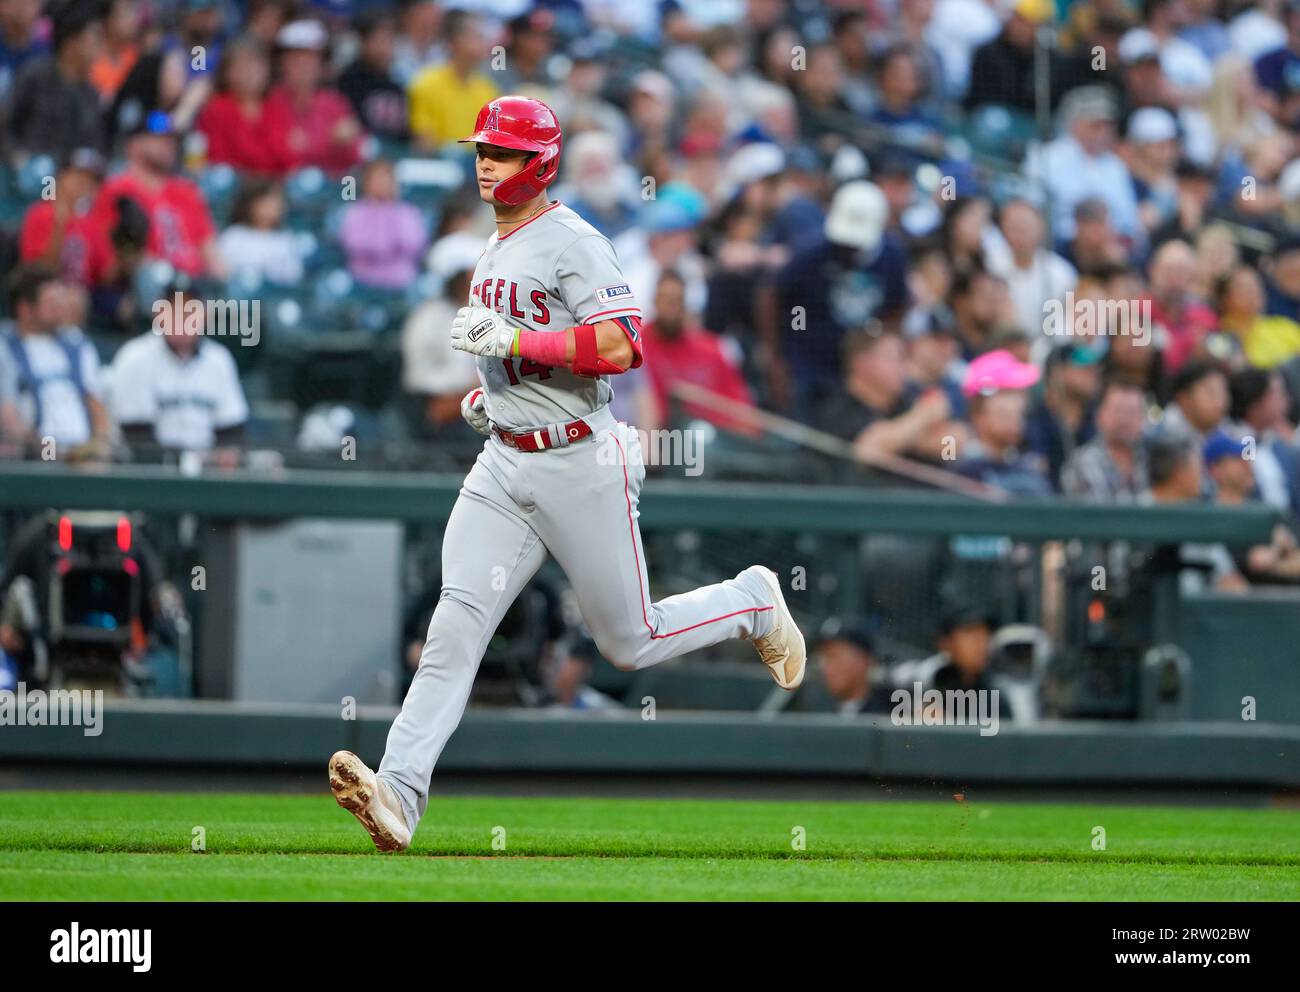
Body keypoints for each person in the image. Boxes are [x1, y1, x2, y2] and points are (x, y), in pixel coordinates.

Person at [327, 96, 807, 853]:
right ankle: (399, 793)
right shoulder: (490, 246)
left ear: (540, 162)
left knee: (630, 640)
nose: (485, 162)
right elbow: (526, 355)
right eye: (481, 150)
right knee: (455, 622)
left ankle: (749, 602)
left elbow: (621, 346)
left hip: (581, 459)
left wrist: (520, 339)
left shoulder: (573, 240)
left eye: (503, 151)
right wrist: (496, 397)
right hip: (504, 461)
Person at [106, 284, 248, 459]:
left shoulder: (219, 359)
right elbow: (137, 436)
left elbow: (231, 430)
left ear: (205, 315)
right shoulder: (135, 356)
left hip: (208, 473)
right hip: (151, 475)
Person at [91, 111, 223, 280]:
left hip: (192, 286)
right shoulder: (115, 191)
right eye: (158, 138)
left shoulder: (187, 191)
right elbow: (105, 263)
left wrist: (225, 284)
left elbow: (208, 248)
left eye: (171, 139)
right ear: (133, 144)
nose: (168, 144)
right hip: (143, 284)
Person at [0, 266, 110, 460]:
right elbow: (9, 419)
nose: (60, 309)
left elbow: (96, 403)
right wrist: (52, 454)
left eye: (60, 301)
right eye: (51, 303)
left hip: (81, 454)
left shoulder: (76, 343)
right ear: (25, 309)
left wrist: (99, 445)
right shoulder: (5, 348)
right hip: (33, 457)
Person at [639, 269, 756, 435]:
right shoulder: (638, 347)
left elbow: (738, 405)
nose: (670, 308)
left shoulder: (710, 349)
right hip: (656, 440)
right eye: (665, 300)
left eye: (676, 301)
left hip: (710, 441)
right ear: (655, 301)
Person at [0, 0, 105, 164]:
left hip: (65, 181)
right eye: (94, 37)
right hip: (22, 174)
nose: (99, 46)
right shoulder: (34, 76)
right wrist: (17, 157)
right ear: (71, 42)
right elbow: (6, 126)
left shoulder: (90, 94)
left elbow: (93, 147)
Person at [263, 19, 364, 174]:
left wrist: (310, 144)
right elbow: (279, 155)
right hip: (285, 188)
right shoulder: (270, 101)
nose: (303, 66)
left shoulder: (334, 102)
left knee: (351, 187)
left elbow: (355, 153)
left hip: (332, 187)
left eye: (310, 59)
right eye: (295, 60)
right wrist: (331, 141)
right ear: (281, 63)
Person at [956, 349, 1052, 496]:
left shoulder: (1028, 465)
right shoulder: (966, 469)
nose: (1017, 404)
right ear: (979, 412)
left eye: (1019, 393)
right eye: (1007, 393)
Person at [195, 36, 292, 175]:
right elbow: (218, 161)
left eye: (256, 64)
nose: (250, 72)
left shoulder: (276, 109)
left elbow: (286, 158)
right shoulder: (216, 109)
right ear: (227, 72)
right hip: (232, 188)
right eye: (242, 65)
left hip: (275, 186)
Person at [18, 148, 112, 288]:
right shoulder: (39, 214)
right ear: (61, 176)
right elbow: (38, 273)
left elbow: (106, 275)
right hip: (46, 294)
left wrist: (127, 250)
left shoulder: (92, 222)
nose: (84, 184)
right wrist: (59, 227)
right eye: (78, 176)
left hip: (84, 296)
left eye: (90, 180)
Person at [408, 10, 497, 151]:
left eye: (482, 37)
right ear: (454, 41)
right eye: (476, 36)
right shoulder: (427, 82)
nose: (483, 42)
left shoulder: (486, 88)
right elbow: (424, 140)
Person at [338, 159, 427, 291]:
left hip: (400, 280)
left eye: (386, 178)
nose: (381, 183)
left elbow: (414, 245)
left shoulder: (407, 212)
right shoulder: (355, 212)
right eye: (376, 179)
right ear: (367, 183)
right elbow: (353, 244)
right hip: (362, 278)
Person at [1061, 379, 1151, 501]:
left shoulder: (1154, 460)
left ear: (1143, 418)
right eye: (1118, 410)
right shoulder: (1082, 462)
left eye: (1132, 412)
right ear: (1099, 416)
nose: (1125, 419)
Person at [216, 178, 306, 285]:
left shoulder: (286, 238)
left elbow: (293, 278)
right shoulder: (233, 236)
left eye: (277, 201)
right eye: (266, 201)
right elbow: (221, 275)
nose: (274, 206)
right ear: (251, 204)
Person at [338, 8, 408, 143]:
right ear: (363, 42)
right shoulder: (347, 82)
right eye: (378, 39)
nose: (384, 48)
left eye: (389, 40)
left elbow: (404, 134)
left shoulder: (397, 86)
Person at [815, 618, 893, 716]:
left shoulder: (888, 714)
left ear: (863, 661)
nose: (826, 668)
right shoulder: (815, 709)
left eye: (834, 656)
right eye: (823, 658)